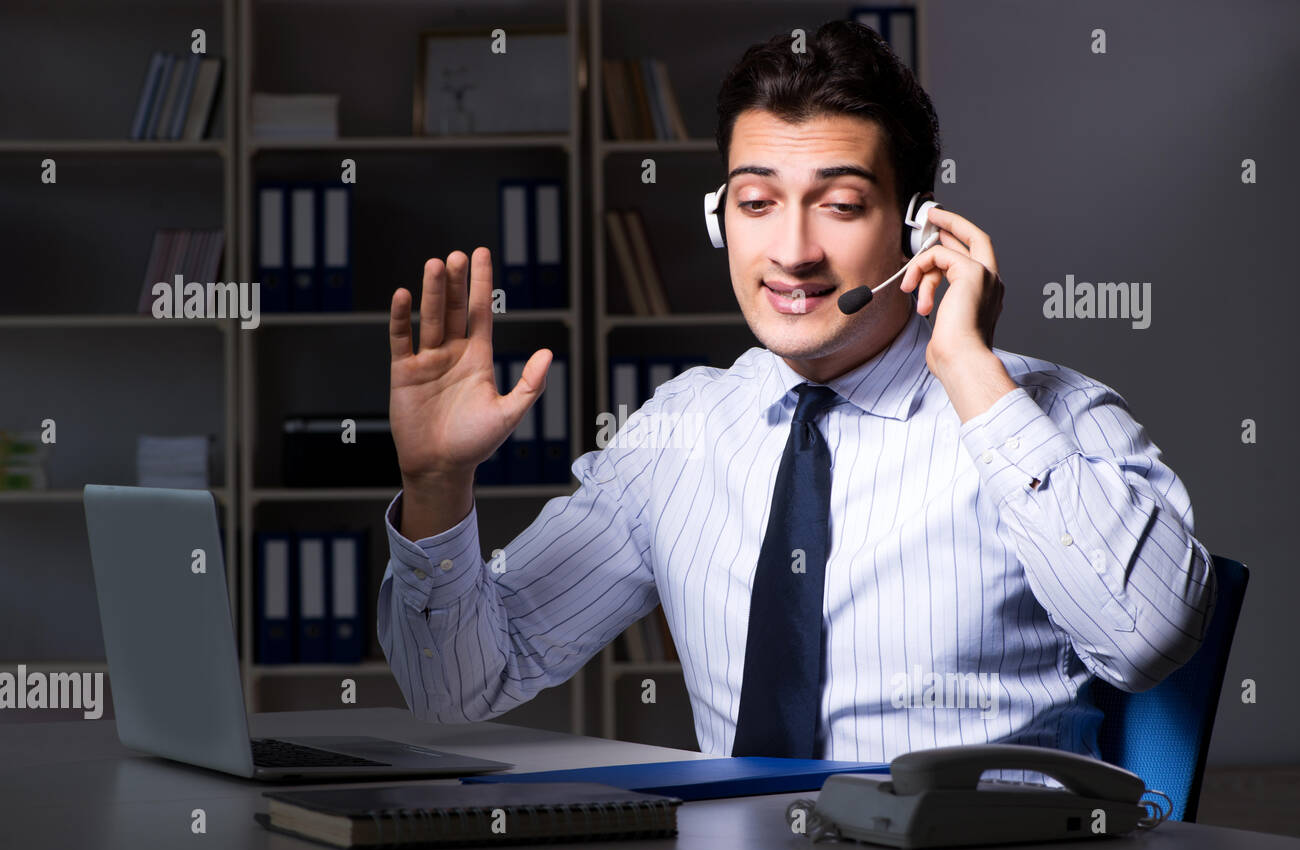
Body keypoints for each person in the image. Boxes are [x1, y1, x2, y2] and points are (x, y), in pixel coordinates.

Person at [377, 21, 1216, 778]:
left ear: (918, 229)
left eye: (842, 204)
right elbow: (459, 687)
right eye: (756, 203)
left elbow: (1150, 640)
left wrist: (968, 370)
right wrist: (437, 486)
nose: (792, 251)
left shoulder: (1046, 414)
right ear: (722, 220)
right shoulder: (681, 431)